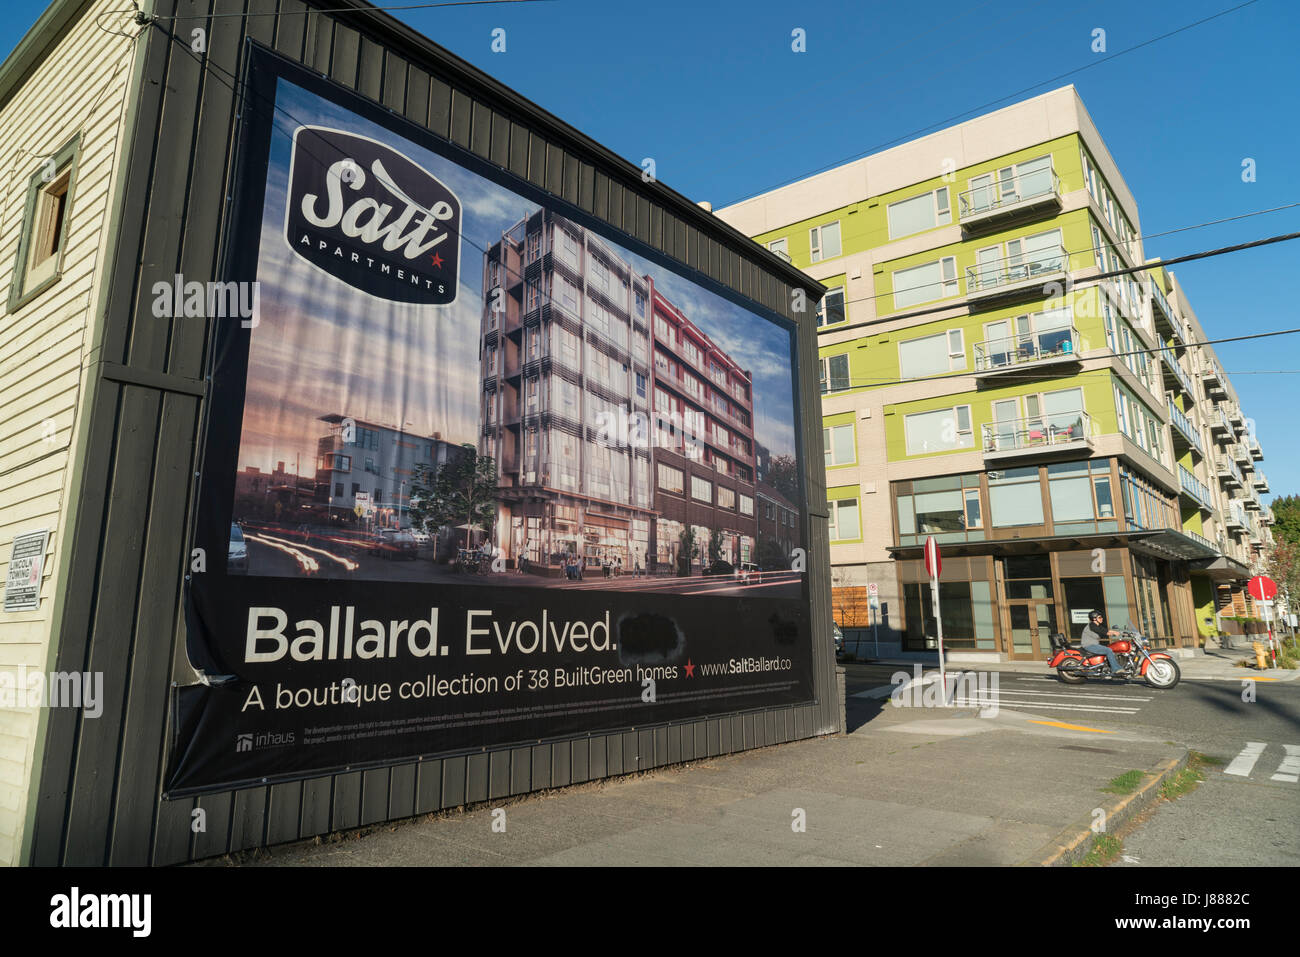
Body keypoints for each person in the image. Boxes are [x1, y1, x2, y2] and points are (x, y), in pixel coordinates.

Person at [1081, 609, 1128, 676]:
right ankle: (1115, 669)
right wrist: (1114, 633)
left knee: (1110, 648)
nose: (1102, 618)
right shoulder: (1092, 625)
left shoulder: (1097, 625)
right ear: (1094, 619)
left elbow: (1106, 630)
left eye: (1101, 617)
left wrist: (1122, 633)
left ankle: (1110, 667)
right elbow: (1104, 632)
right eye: (1099, 617)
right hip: (1089, 645)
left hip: (1094, 645)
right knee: (1108, 650)